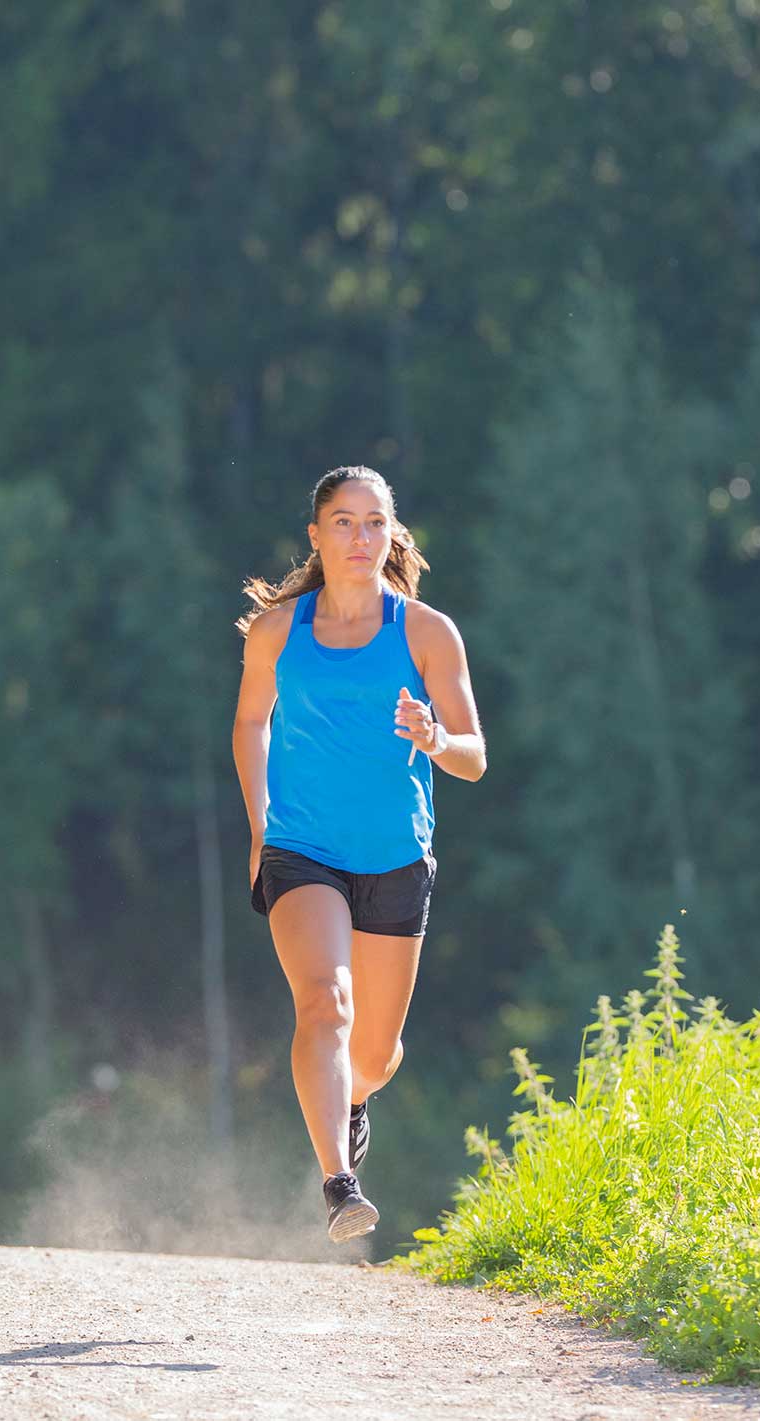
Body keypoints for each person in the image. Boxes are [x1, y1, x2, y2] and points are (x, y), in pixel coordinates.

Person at [232, 466, 487, 1243]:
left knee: (373, 1051)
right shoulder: (282, 631)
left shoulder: (426, 632)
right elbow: (250, 724)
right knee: (325, 1005)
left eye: (374, 522)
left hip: (395, 859)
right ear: (316, 534)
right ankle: (340, 1182)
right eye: (343, 521)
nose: (360, 537)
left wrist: (434, 737)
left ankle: (349, 1097)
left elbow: (474, 755)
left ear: (392, 534)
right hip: (301, 849)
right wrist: (259, 825)